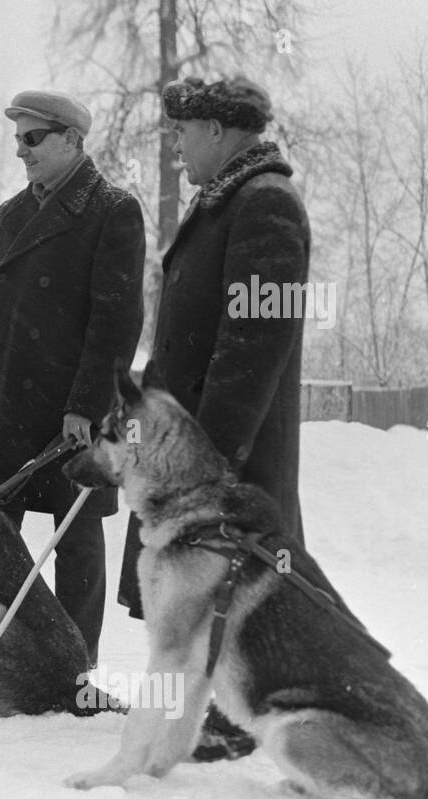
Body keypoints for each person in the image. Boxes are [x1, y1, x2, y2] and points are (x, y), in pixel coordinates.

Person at [120, 75, 311, 760]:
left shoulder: (265, 205)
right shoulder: (227, 201)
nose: (176, 146)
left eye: (182, 131)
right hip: (190, 443)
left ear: (218, 131)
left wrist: (210, 459)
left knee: (233, 585)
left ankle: (234, 717)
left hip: (229, 451)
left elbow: (252, 346)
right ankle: (211, 713)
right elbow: (186, 335)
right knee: (200, 587)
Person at [0, 90, 144, 676]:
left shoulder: (112, 210)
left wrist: (87, 404)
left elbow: (116, 320)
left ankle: (73, 667)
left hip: (71, 409)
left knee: (76, 536)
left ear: (72, 140)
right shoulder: (10, 214)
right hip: (7, 400)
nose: (20, 151)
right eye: (17, 139)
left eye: (32, 139)